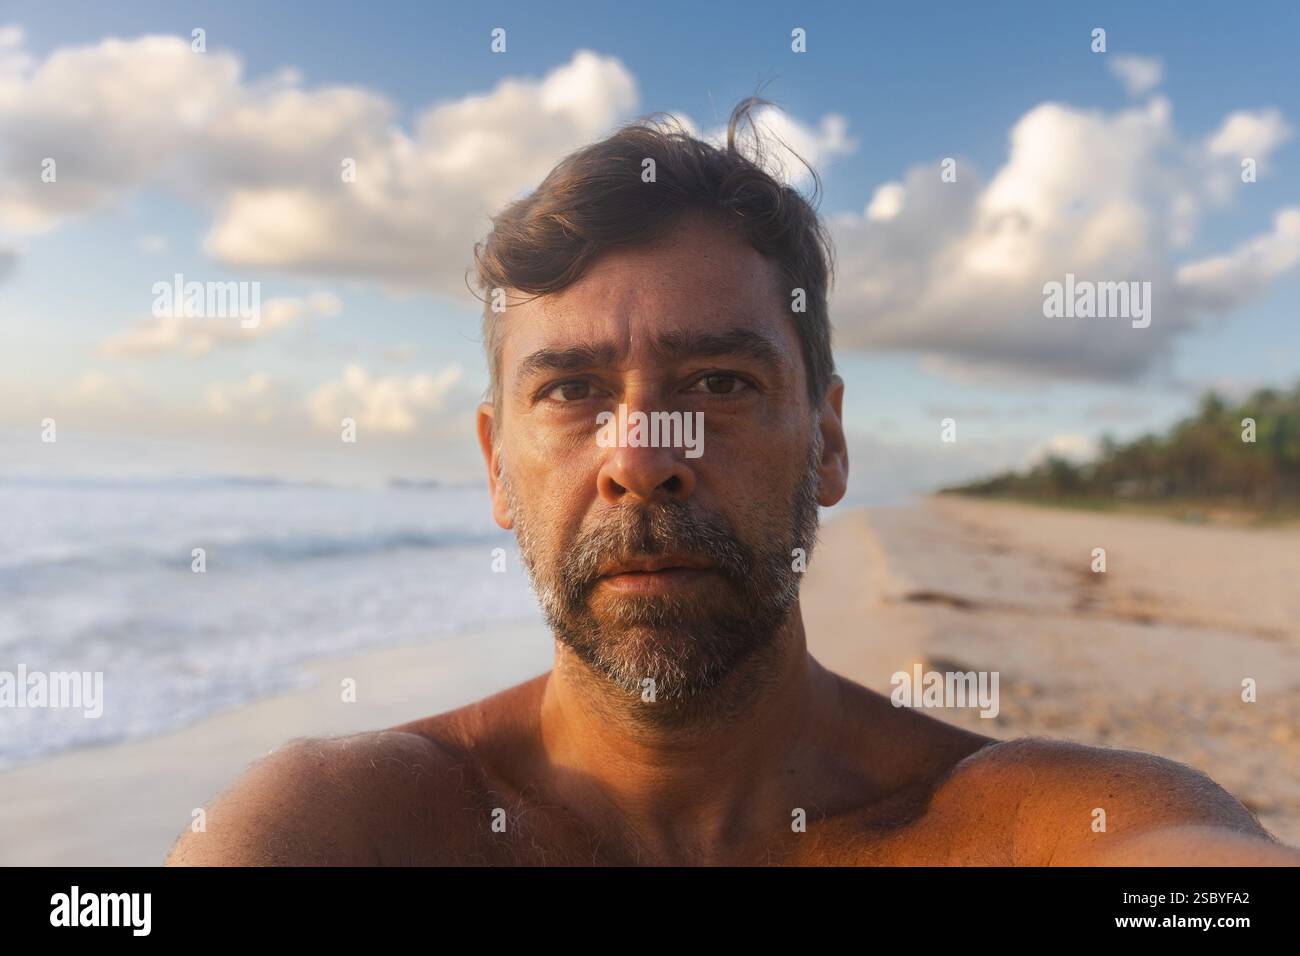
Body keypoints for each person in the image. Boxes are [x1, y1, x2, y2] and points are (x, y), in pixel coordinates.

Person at [166, 100, 1297, 866]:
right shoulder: (350, 824)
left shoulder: (1041, 826)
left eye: (717, 379)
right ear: (495, 468)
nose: (642, 452)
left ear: (829, 440)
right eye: (569, 391)